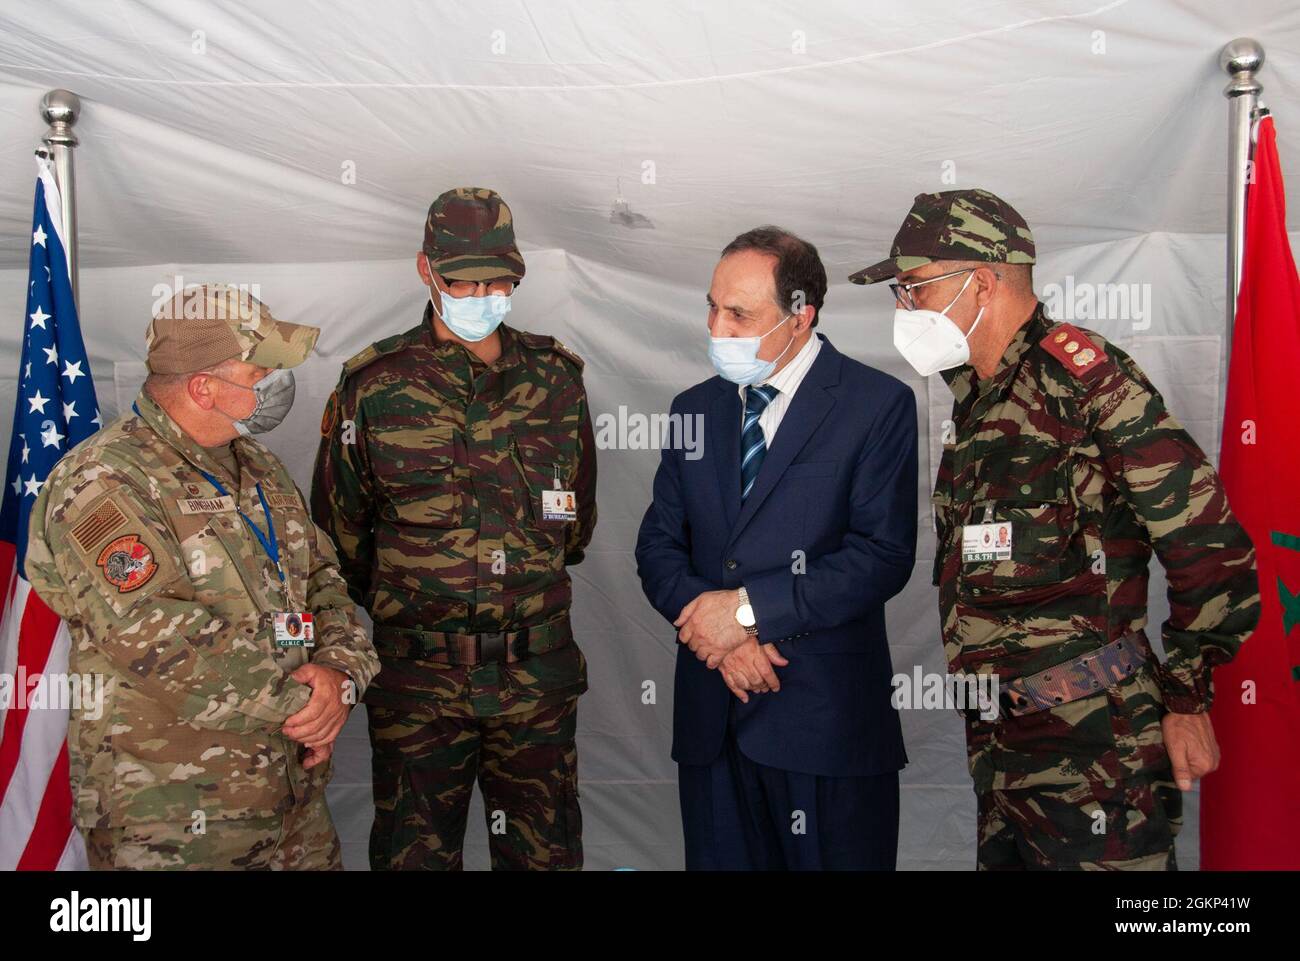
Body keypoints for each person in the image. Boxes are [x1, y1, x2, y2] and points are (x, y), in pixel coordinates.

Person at [850, 188, 1261, 869]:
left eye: (916, 288)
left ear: (982, 282)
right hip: (1001, 745)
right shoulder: (979, 396)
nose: (905, 307)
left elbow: (1206, 540)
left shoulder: (1083, 380)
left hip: (1096, 745)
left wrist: (1188, 696)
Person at [25, 283, 379, 870]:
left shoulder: (259, 466)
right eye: (260, 372)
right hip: (172, 815)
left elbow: (322, 579)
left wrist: (340, 675)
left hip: (293, 799)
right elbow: (156, 633)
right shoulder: (103, 481)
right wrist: (306, 707)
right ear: (202, 387)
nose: (275, 383)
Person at [312, 187, 597, 870]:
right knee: (414, 857)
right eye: (463, 280)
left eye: (496, 281)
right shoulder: (373, 386)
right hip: (419, 685)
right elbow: (338, 538)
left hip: (535, 681)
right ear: (426, 269)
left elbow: (576, 527)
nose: (481, 295)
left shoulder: (556, 381)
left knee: (546, 858)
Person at [635, 226, 917, 870]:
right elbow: (658, 546)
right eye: (712, 307)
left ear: (801, 314)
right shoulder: (692, 409)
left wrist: (744, 613)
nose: (717, 329)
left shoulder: (876, 405)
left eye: (739, 314)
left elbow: (881, 555)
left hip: (824, 724)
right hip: (714, 720)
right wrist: (726, 642)